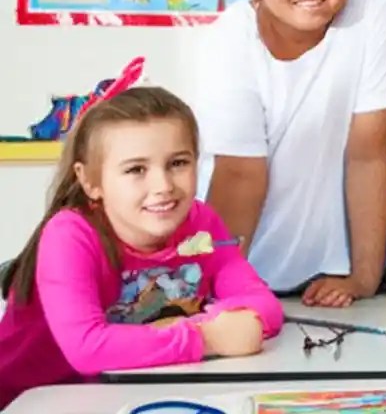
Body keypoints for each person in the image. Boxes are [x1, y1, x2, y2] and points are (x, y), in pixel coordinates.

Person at [0, 87, 283, 409]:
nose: (163, 186)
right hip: (30, 400)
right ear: (91, 181)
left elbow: (262, 302)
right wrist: (208, 336)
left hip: (129, 395)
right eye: (136, 170)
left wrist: (233, 323)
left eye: (178, 163)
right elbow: (88, 349)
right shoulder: (71, 235)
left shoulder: (201, 220)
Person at [197, 0, 386, 307]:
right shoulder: (229, 39)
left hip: (329, 278)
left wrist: (364, 277)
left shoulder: (376, 12)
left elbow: (369, 152)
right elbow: (240, 174)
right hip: (239, 268)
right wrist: (216, 291)